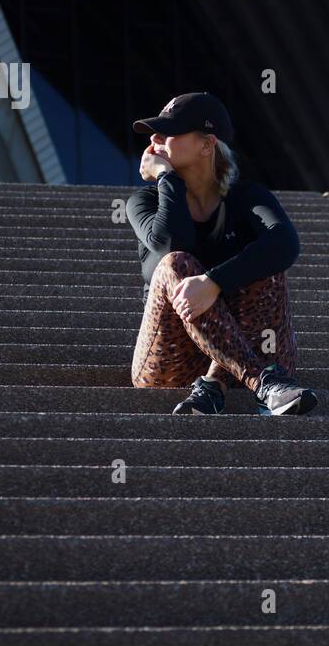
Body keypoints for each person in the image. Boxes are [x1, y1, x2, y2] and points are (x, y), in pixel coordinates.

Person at [126, 92, 318, 416]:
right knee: (176, 265)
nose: (155, 140)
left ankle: (214, 385)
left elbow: (286, 243)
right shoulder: (144, 202)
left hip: (258, 348)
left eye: (169, 132)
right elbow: (172, 244)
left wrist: (214, 281)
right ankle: (263, 385)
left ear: (206, 144)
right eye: (154, 133)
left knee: (268, 259)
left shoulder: (246, 197)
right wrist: (167, 177)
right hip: (171, 365)